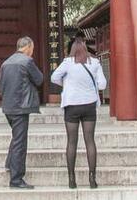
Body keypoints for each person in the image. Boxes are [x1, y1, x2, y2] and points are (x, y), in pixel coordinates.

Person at [50, 36, 107, 189]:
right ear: (86, 49)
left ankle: (71, 179)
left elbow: (54, 77)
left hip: (72, 105)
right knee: (90, 141)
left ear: (73, 49)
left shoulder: (67, 63)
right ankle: (92, 179)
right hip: (89, 105)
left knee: (71, 142)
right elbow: (102, 85)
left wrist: (66, 83)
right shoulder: (94, 63)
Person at [0, 36, 43, 190]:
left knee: (17, 137)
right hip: (21, 107)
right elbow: (39, 79)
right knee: (20, 141)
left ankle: (10, 164)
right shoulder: (27, 61)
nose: (32, 52)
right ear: (28, 47)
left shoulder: (6, 63)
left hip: (8, 106)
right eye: (32, 49)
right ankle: (16, 179)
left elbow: (0, 84)